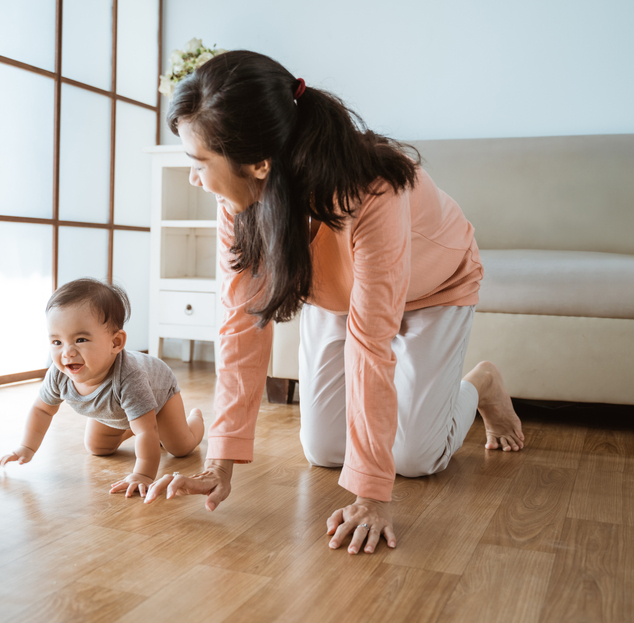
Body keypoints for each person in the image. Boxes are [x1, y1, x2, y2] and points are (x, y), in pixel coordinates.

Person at [144, 51, 525, 554]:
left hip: (435, 288)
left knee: (412, 458)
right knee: (324, 449)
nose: (194, 178)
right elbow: (242, 323)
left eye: (199, 163)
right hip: (340, 294)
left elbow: (371, 343)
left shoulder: (372, 192)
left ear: (259, 163)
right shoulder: (238, 204)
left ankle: (480, 385)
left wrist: (372, 495)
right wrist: (220, 461)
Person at [0, 278, 205, 497]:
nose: (67, 352)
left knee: (180, 448)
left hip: (160, 395)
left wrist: (143, 474)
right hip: (117, 411)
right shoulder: (58, 374)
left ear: (115, 343)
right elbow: (42, 410)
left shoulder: (130, 378)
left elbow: (146, 430)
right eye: (57, 342)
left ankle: (196, 421)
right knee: (97, 448)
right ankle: (133, 421)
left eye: (81, 339)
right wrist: (26, 448)